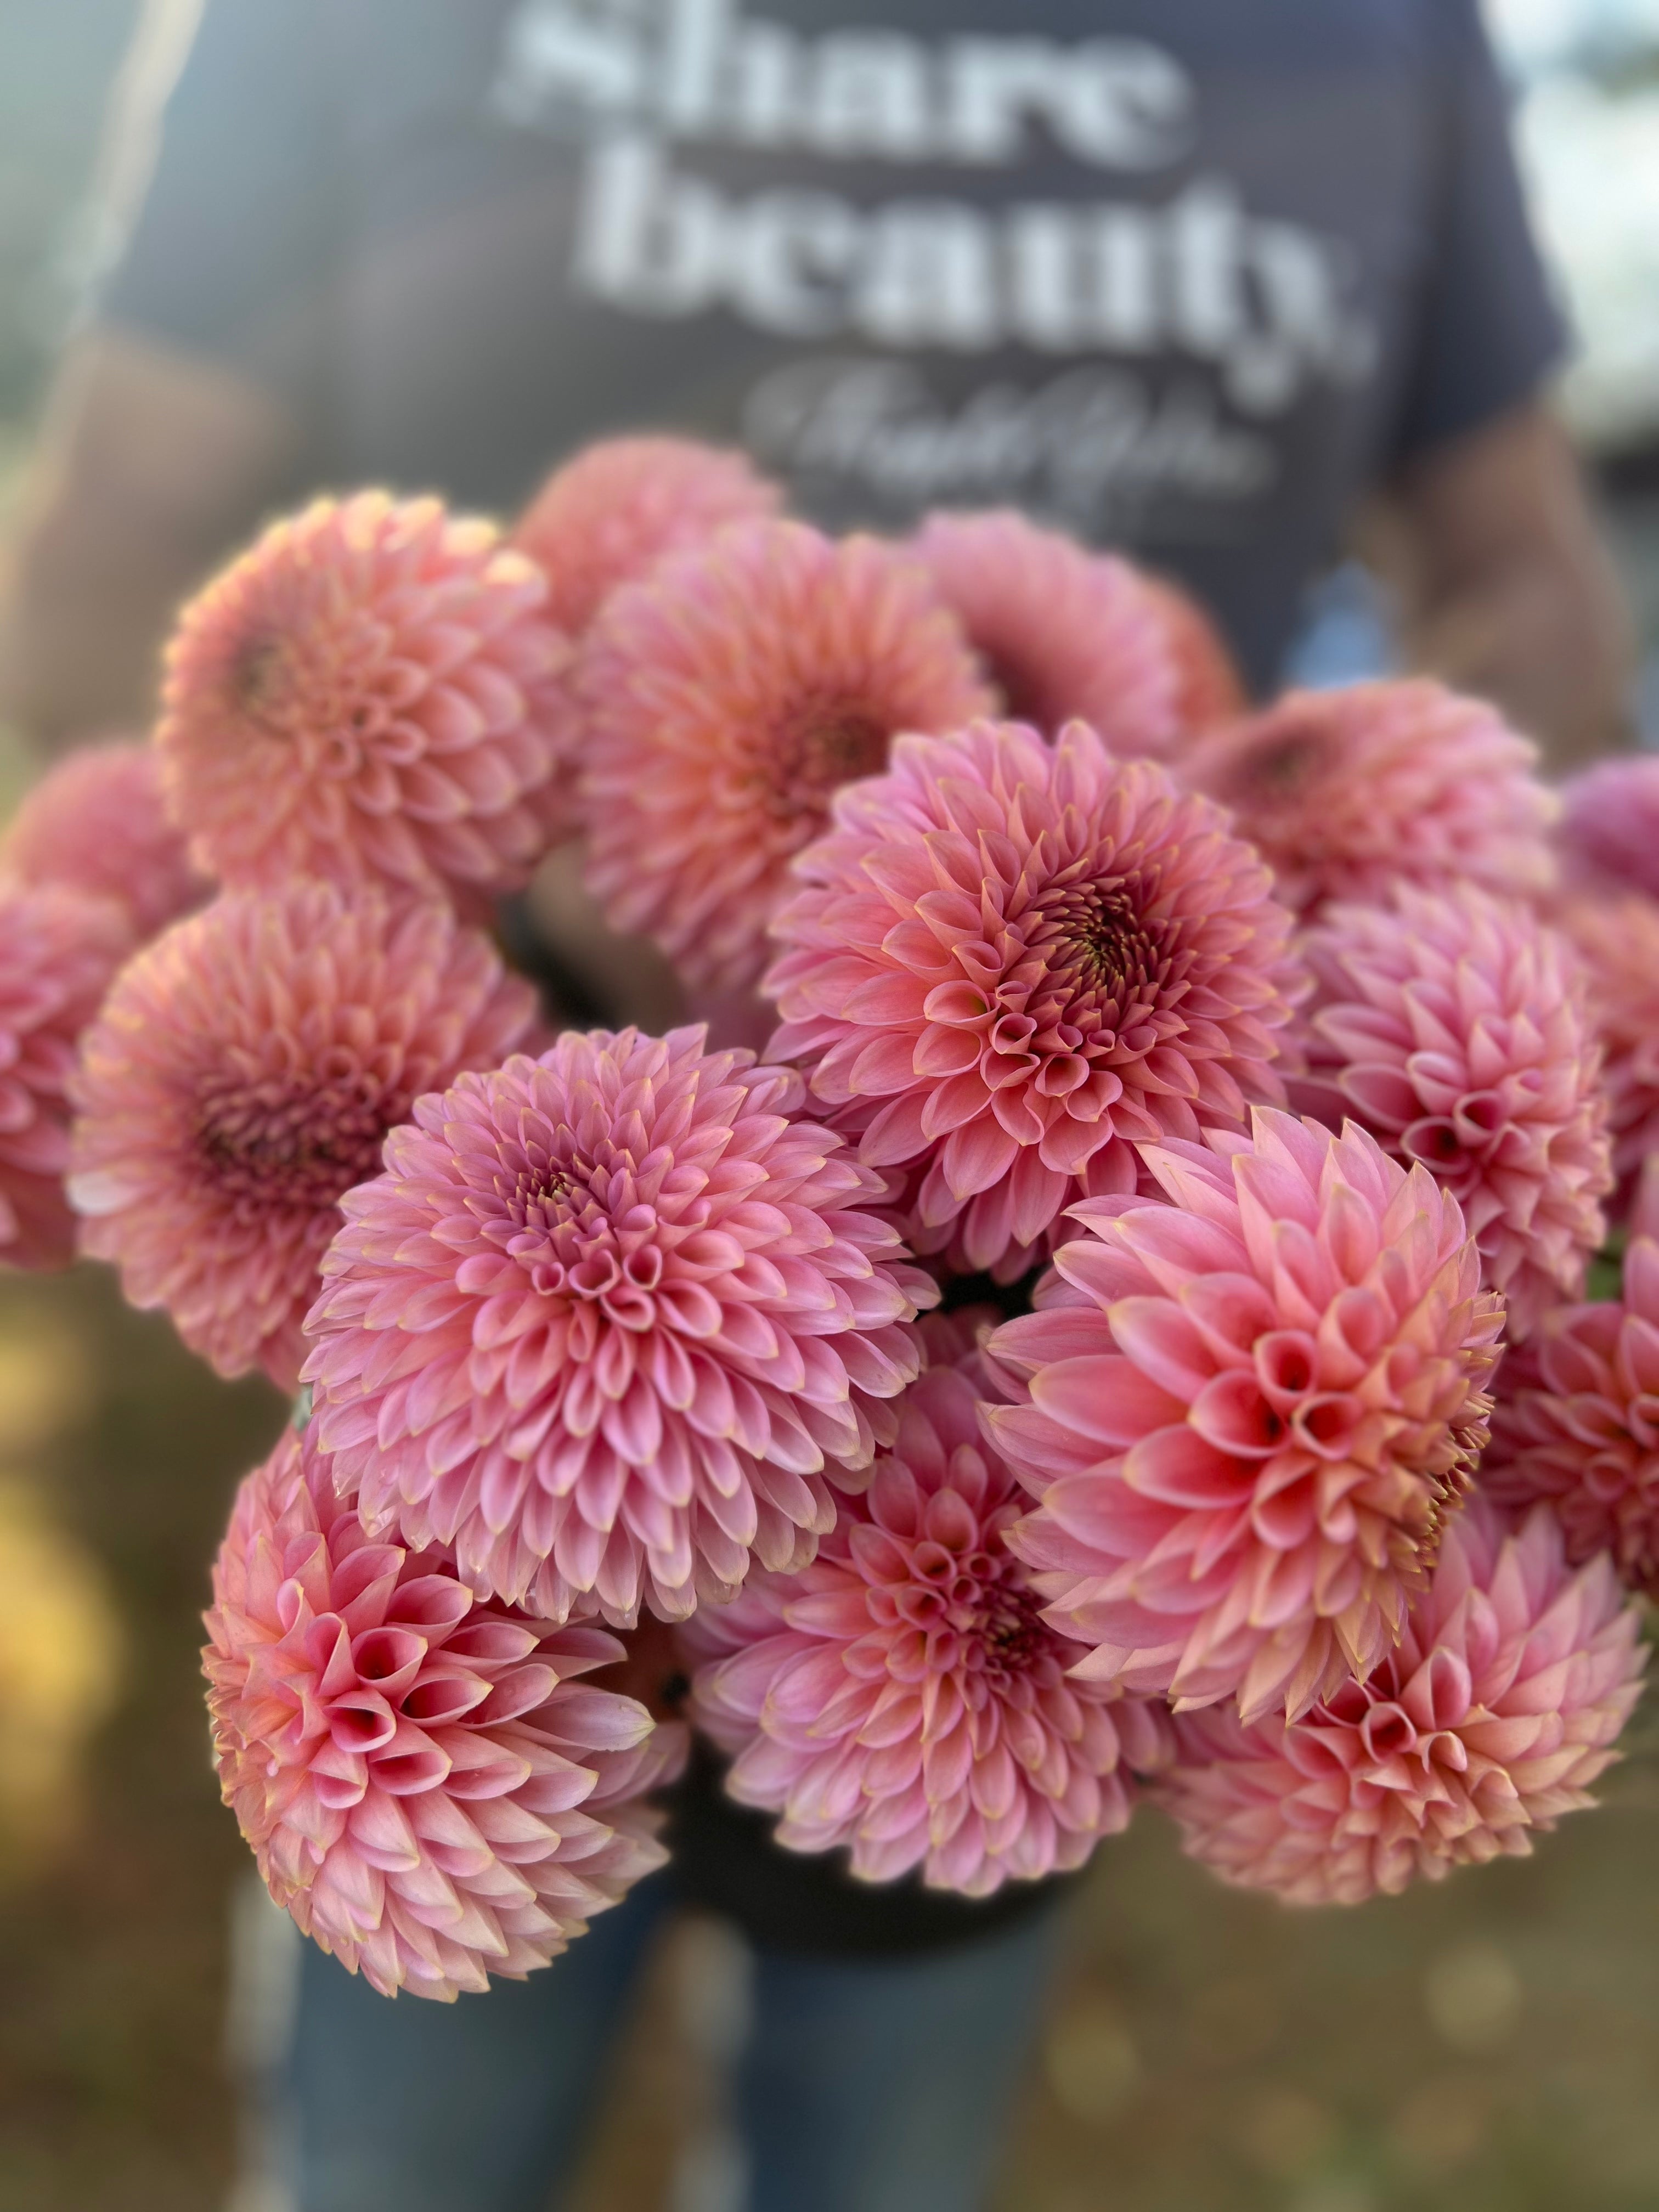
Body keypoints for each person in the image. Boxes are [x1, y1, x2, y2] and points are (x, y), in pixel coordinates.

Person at [0, 6, 1635, 2210]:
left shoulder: (1377, 33)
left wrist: (1420, 839)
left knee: (878, 2133)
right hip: (473, 1365)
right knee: (402, 2151)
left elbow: (1523, 555)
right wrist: (179, 957)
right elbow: (121, 550)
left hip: (1087, 1404)